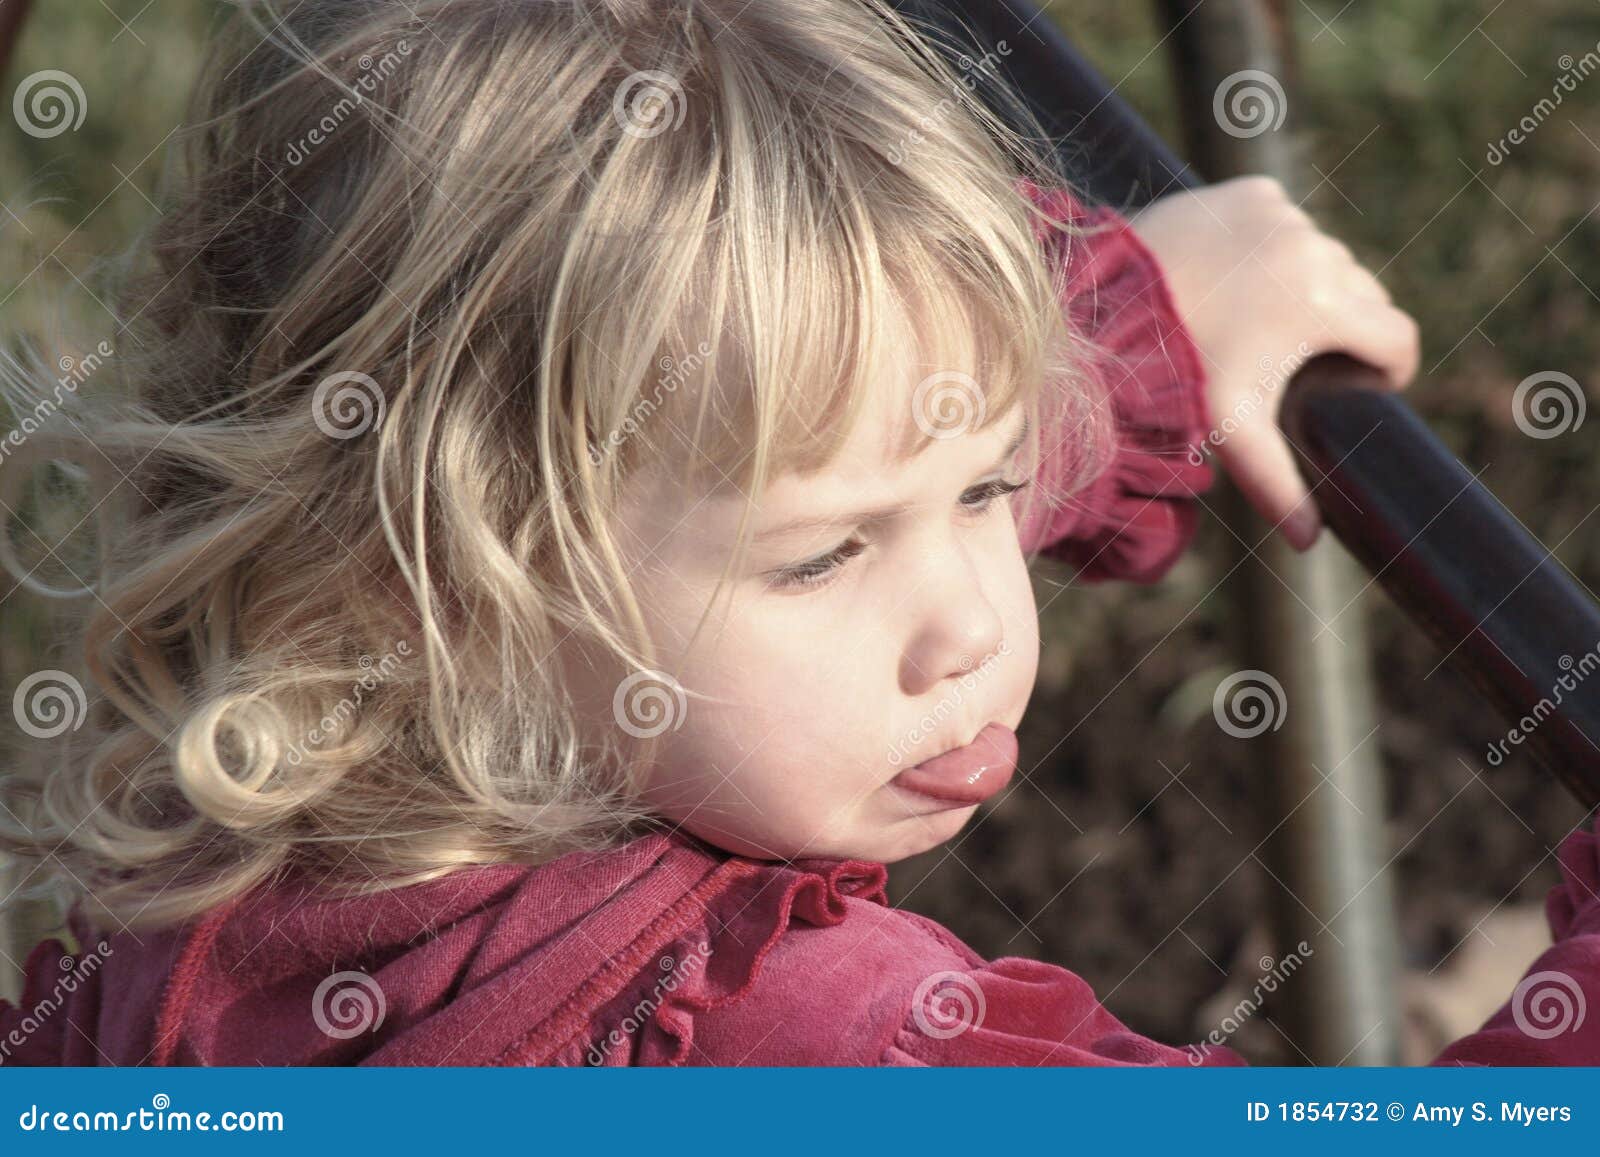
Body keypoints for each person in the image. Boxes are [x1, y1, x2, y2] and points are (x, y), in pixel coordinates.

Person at [1, 0, 1593, 1067]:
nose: (970, 624)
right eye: (827, 556)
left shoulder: (200, 884)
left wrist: (1131, 331)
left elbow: (743, 455)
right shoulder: (831, 1041)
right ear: (438, 586)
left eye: (983, 485)